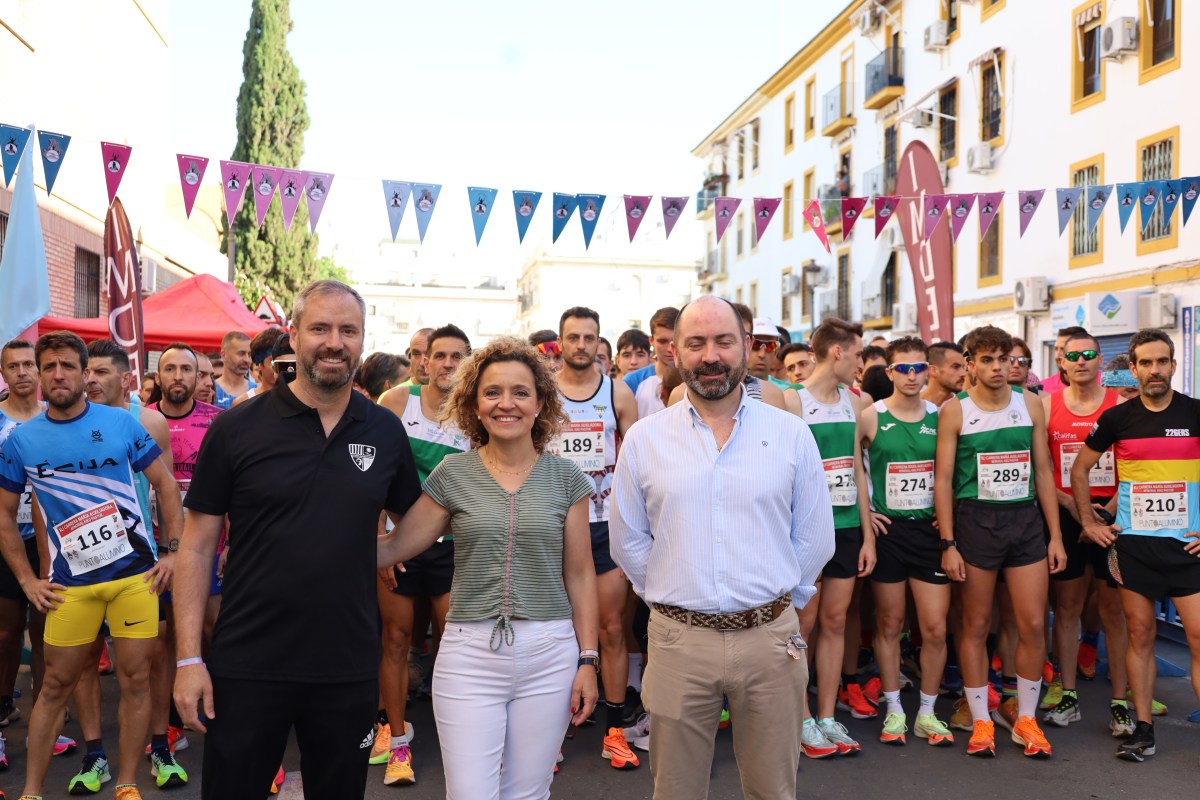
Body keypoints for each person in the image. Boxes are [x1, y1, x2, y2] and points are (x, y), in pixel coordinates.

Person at [172, 281, 422, 799]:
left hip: (347, 664)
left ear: (361, 339)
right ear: (293, 336)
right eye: (320, 329)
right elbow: (195, 547)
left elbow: (416, 517)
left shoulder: (383, 430)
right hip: (248, 661)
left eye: (348, 330)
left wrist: (379, 553)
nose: (335, 342)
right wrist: (189, 660)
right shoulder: (238, 428)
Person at [610, 295, 834, 799]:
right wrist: (671, 595)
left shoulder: (792, 434)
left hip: (771, 642)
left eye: (723, 341)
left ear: (746, 347)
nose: (710, 355)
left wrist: (778, 605)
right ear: (674, 352)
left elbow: (815, 537)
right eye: (696, 343)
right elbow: (627, 540)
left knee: (772, 791)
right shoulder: (645, 440)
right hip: (676, 643)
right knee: (676, 792)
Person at [378, 336, 599, 799]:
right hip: (469, 655)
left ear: (540, 403)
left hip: (551, 653)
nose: (507, 404)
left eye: (520, 392)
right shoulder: (452, 474)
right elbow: (396, 546)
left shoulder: (567, 479)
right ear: (474, 405)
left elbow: (579, 576)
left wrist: (587, 660)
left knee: (528, 793)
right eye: (492, 392)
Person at [0, 331, 181, 800]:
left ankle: (126, 783)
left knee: (136, 679)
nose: (57, 374)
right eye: (48, 367)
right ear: (39, 376)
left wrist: (173, 552)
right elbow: (3, 515)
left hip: (132, 578)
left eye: (67, 365)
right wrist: (27, 579)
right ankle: (32, 791)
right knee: (56, 683)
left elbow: (164, 485)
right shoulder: (22, 440)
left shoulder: (121, 424)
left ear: (85, 373)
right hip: (69, 585)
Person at [934, 325, 1065, 759]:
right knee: (974, 625)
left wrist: (1055, 537)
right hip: (975, 522)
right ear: (970, 364)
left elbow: (1043, 472)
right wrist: (949, 542)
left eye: (1003, 359)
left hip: (1024, 521)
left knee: (1031, 624)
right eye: (986, 360)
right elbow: (944, 480)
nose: (997, 367)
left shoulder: (1030, 403)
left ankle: (1026, 718)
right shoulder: (955, 410)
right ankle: (981, 720)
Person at [1072, 328, 1200, 762]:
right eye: (1145, 363)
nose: (1154, 370)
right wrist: (1089, 523)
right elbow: (1079, 470)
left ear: (1173, 365)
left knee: (1199, 640)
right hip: (1134, 549)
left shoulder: (1196, 413)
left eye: (1162, 361)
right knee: (1140, 635)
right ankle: (1143, 729)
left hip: (1186, 549)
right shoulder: (1117, 419)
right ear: (1133, 369)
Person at [375, 325, 473, 785]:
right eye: (441, 356)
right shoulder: (396, 402)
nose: (448, 365)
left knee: (454, 645)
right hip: (399, 544)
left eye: (458, 357)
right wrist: (382, 545)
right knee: (394, 641)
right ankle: (397, 742)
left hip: (453, 548)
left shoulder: (476, 412)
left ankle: (465, 741)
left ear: (467, 362)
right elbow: (371, 479)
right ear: (425, 361)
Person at [552, 307, 640, 769]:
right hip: (552, 526)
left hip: (605, 526)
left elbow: (638, 462)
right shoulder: (543, 393)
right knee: (555, 632)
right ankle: (550, 736)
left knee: (610, 629)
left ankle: (614, 731)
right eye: (573, 337)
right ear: (561, 342)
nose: (581, 345)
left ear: (598, 341)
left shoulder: (618, 393)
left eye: (589, 337)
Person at [860, 337, 955, 746]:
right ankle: (895, 709)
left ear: (928, 371)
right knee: (889, 624)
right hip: (890, 534)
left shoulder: (943, 415)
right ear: (890, 372)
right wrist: (868, 518)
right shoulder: (869, 417)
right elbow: (852, 473)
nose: (912, 376)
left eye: (919, 368)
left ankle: (928, 713)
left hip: (929, 534)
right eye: (904, 369)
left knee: (934, 629)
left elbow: (953, 473)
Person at [143, 342, 225, 788]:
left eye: (186, 369)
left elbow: (233, 486)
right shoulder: (139, 422)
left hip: (208, 546)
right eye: (169, 368)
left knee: (212, 633)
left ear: (199, 377)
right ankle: (166, 728)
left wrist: (232, 541)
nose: (178, 375)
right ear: (158, 376)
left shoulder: (218, 422)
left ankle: (219, 713)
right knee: (161, 643)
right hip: (154, 550)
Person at [1039, 330, 1129, 735]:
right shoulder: (1046, 406)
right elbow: (1041, 471)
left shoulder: (1121, 404)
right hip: (1068, 517)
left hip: (1112, 518)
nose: (1081, 362)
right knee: (1068, 607)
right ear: (1062, 362)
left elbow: (1131, 467)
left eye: (1089, 354)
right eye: (1073, 356)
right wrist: (1078, 512)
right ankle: (1069, 693)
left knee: (1115, 612)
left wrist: (1104, 515)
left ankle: (1121, 701)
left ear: (1099, 359)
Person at [794, 317, 875, 754]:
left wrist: (868, 536)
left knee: (835, 622)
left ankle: (827, 715)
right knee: (803, 626)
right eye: (859, 354)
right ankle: (800, 715)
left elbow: (858, 473)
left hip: (845, 528)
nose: (861, 363)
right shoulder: (792, 401)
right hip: (806, 533)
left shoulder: (857, 403)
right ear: (837, 352)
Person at [0, 340, 45, 752]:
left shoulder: (55, 417)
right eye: (13, 366)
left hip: (51, 541)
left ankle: (44, 713)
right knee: (6, 632)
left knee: (47, 632)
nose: (23, 372)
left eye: (29, 364)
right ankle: (2, 708)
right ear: (5, 373)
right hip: (7, 538)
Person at [631, 307, 679, 419]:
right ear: (651, 340)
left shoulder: (696, 378)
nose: (669, 348)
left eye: (675, 341)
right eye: (662, 341)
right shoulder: (633, 381)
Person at [231, 328, 287, 407]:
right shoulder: (243, 403)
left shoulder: (301, 399)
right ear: (259, 364)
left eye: (285, 360)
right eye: (274, 361)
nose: (281, 366)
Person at [212, 332, 255, 410]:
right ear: (223, 355)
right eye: (241, 353)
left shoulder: (256, 391)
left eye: (249, 354)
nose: (247, 360)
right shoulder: (211, 390)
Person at [1040, 326, 1088, 395]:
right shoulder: (1043, 388)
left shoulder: (1104, 384)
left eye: (1063, 349)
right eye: (1056, 349)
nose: (1057, 356)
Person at [922, 341, 966, 409]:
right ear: (933, 370)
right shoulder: (909, 404)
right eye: (956, 367)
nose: (964, 373)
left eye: (963, 367)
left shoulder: (965, 408)